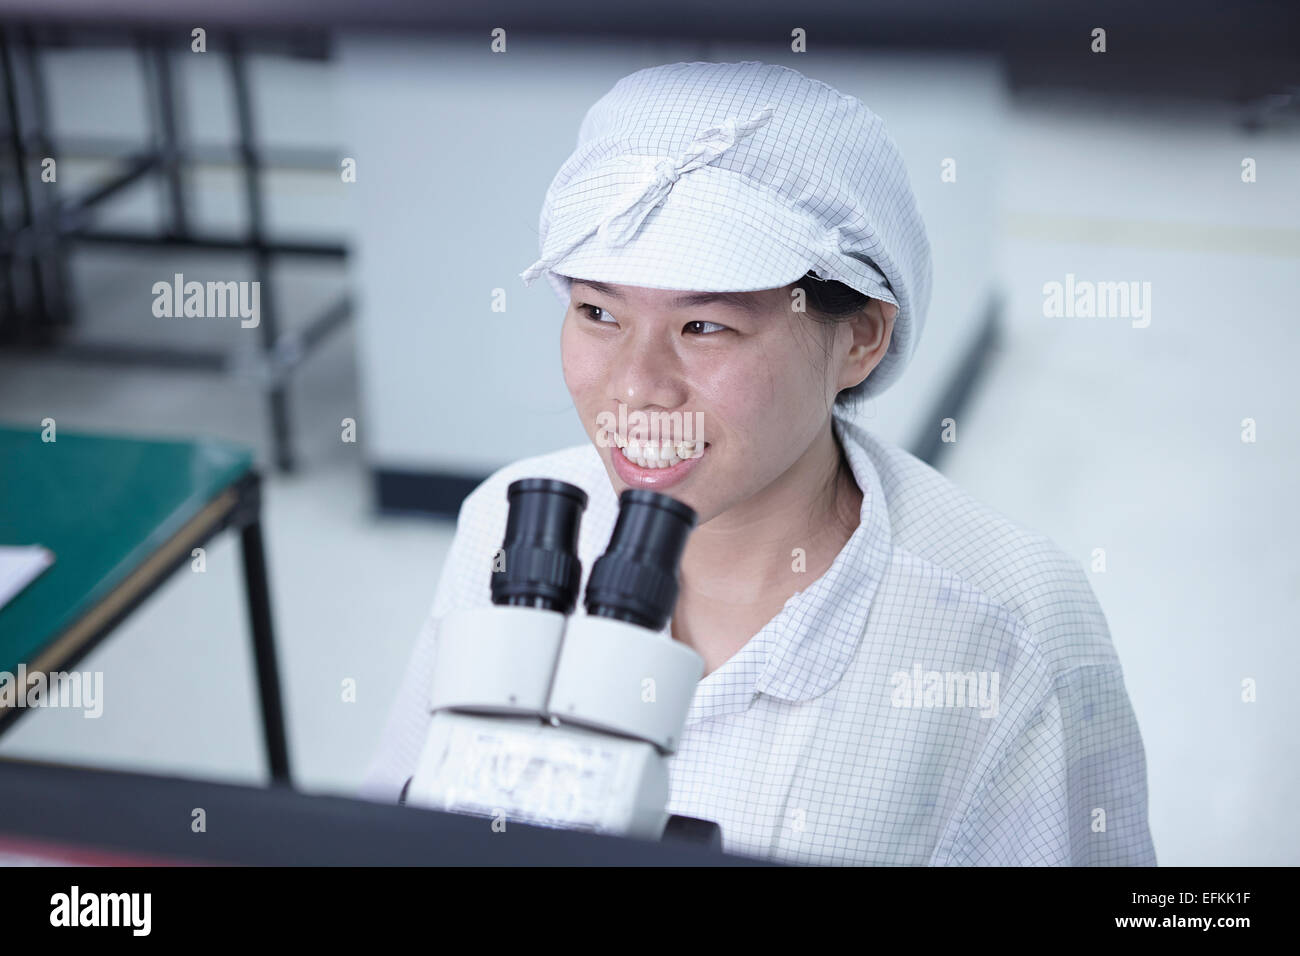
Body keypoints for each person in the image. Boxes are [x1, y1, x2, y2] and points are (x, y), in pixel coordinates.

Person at [361, 60, 1156, 866]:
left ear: (861, 338)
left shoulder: (1008, 629)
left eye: (706, 326)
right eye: (598, 312)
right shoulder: (509, 520)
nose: (636, 386)